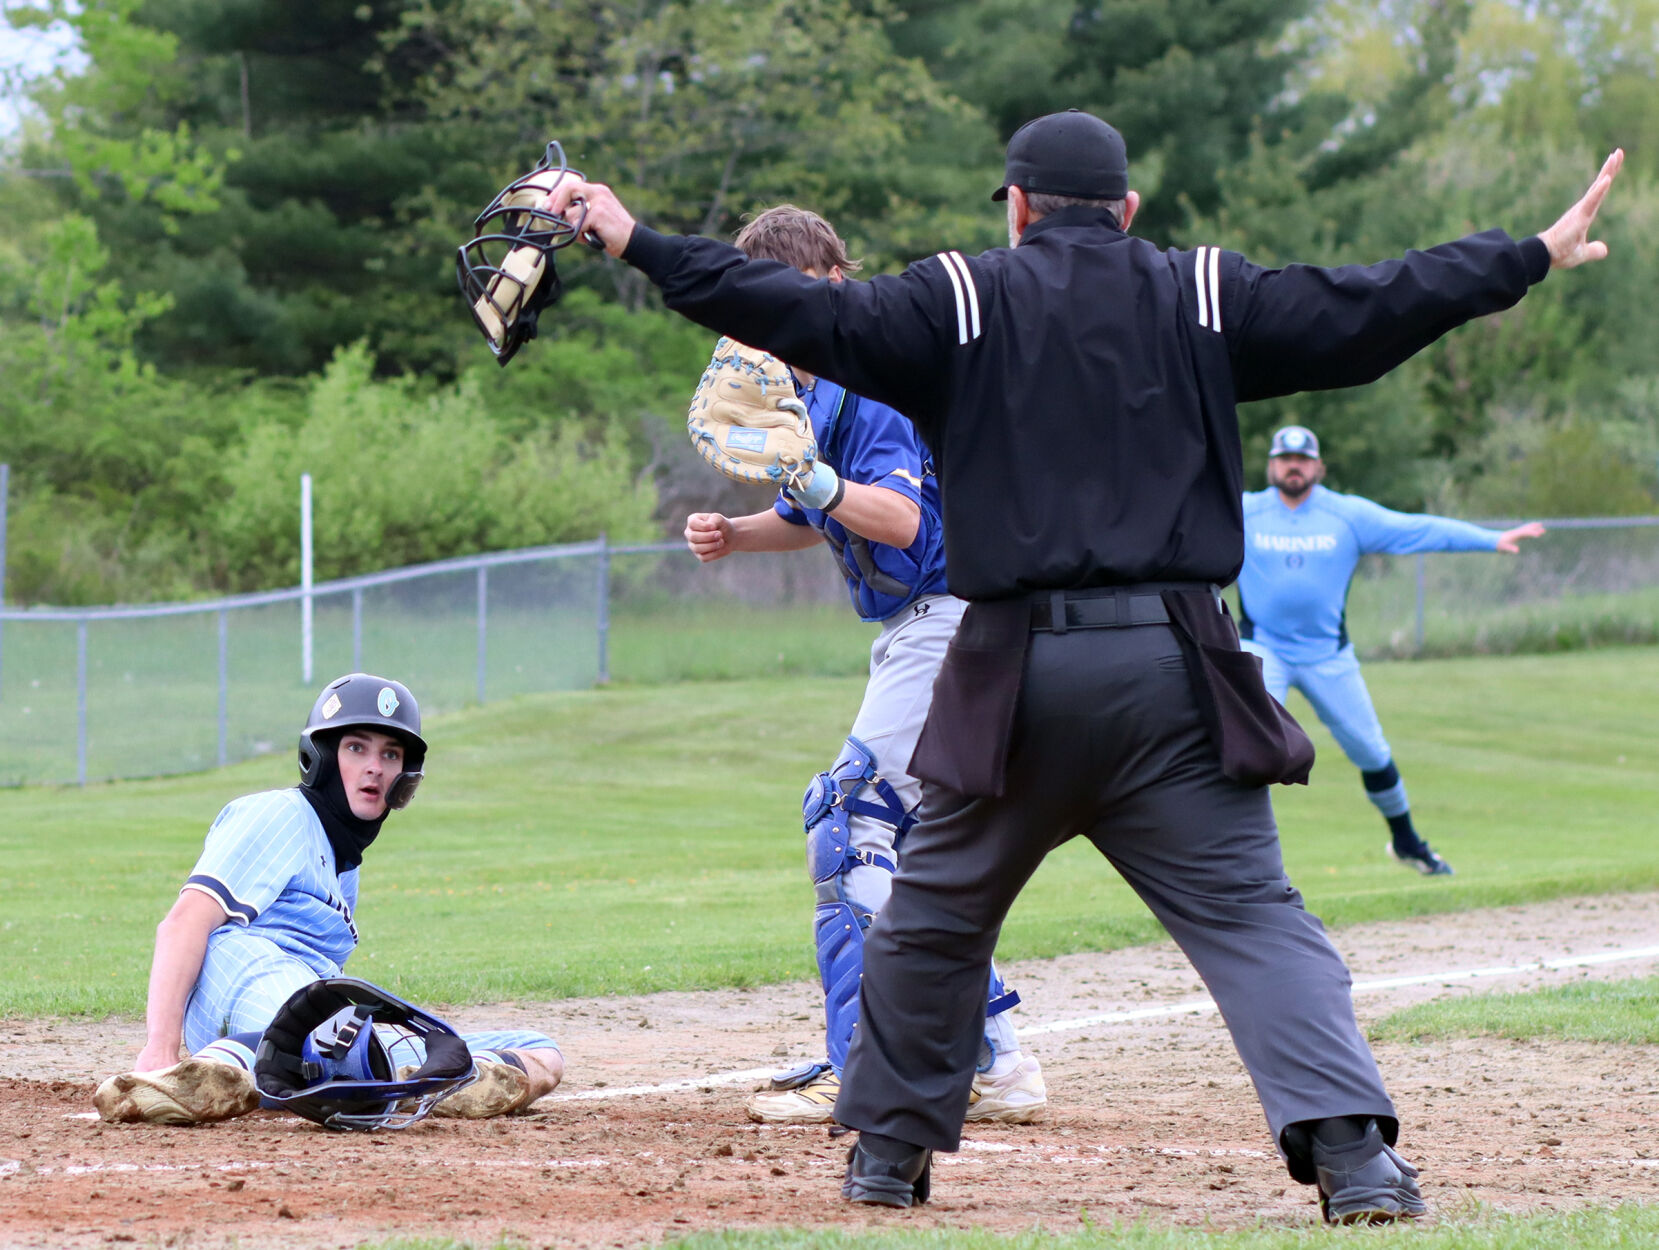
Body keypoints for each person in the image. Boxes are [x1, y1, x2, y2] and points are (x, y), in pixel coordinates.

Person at [540, 113, 1621, 1219]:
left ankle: (886, 1156)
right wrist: (1525, 256)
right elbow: (1373, 303)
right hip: (1176, 669)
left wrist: (635, 238)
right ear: (1128, 212)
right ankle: (1355, 1161)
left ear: (1015, 205)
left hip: (1013, 673)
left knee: (931, 913)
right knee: (1254, 918)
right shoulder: (1203, 292)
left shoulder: (957, 301)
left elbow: (793, 305)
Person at [684, 204, 1044, 1126]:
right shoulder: (826, 389)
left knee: (848, 818)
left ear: (824, 288)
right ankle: (993, 1057)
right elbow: (817, 517)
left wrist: (807, 480)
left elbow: (900, 518)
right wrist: (736, 533)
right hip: (943, 623)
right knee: (916, 855)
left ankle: (869, 1065)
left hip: (948, 618)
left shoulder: (871, 382)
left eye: (780, 303)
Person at [93, 672, 564, 1125]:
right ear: (318, 756)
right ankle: (200, 1075)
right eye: (356, 747)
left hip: (316, 1012)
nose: (375, 767)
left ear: (406, 776)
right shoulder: (278, 815)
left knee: (540, 1051)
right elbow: (183, 923)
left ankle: (378, 1079)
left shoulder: (344, 861)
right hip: (240, 968)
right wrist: (159, 1049)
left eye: (391, 753)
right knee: (320, 1030)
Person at [1240, 426, 1547, 876]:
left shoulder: (1345, 515)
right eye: (1285, 458)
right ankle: (1242, 861)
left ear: (1318, 466)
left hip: (1328, 656)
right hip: (1264, 649)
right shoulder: (1243, 510)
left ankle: (1406, 842)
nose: (1293, 466)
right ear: (1271, 464)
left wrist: (1489, 538)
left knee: (1370, 750)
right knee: (1253, 748)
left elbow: (1418, 529)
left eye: (1302, 459)